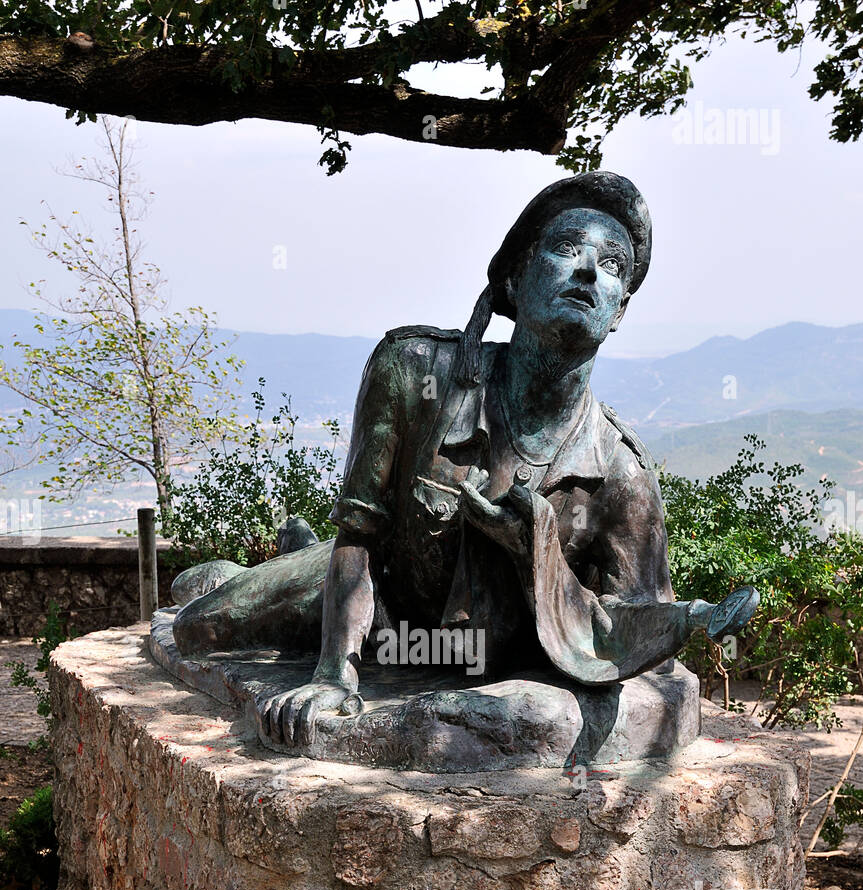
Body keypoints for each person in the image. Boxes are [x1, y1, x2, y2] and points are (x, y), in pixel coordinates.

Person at [172, 171, 756, 747]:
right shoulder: (413, 371)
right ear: (517, 277)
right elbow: (359, 535)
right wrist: (334, 675)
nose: (587, 271)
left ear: (619, 310)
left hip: (474, 655)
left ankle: (289, 559)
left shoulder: (622, 475)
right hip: (378, 615)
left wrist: (534, 546)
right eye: (566, 249)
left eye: (612, 265)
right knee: (197, 625)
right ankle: (266, 570)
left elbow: (634, 632)